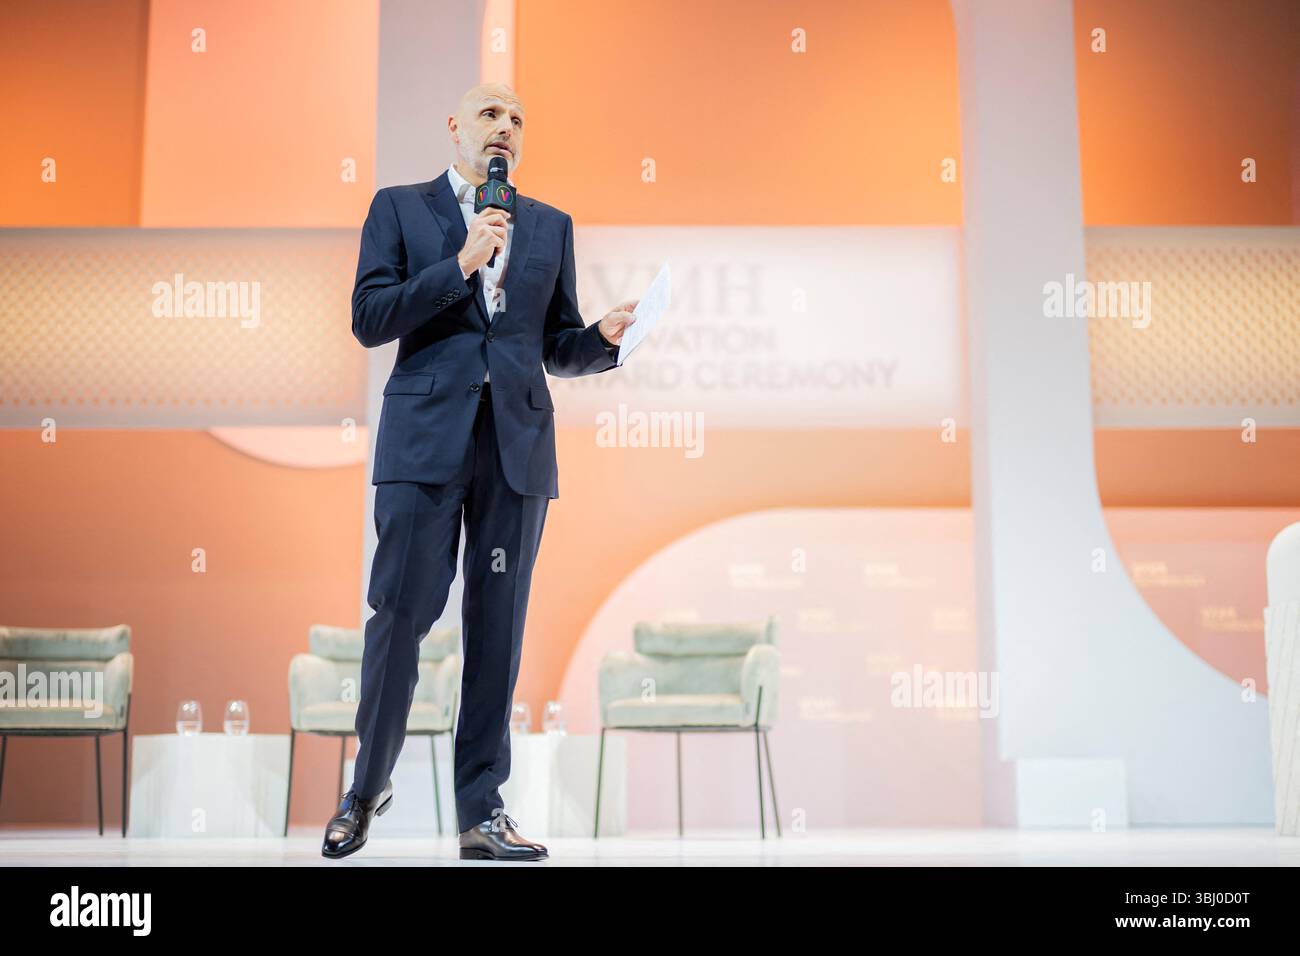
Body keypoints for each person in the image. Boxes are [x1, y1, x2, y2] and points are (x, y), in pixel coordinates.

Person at [321, 82, 636, 861]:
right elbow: (370, 319)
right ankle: (366, 791)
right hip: (424, 445)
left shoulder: (550, 226)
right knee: (401, 615)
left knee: (496, 631)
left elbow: (554, 345)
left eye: (518, 119)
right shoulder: (400, 208)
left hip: (515, 451)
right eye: (491, 114)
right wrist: (460, 264)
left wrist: (599, 339)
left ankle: (481, 813)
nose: (506, 127)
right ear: (455, 127)